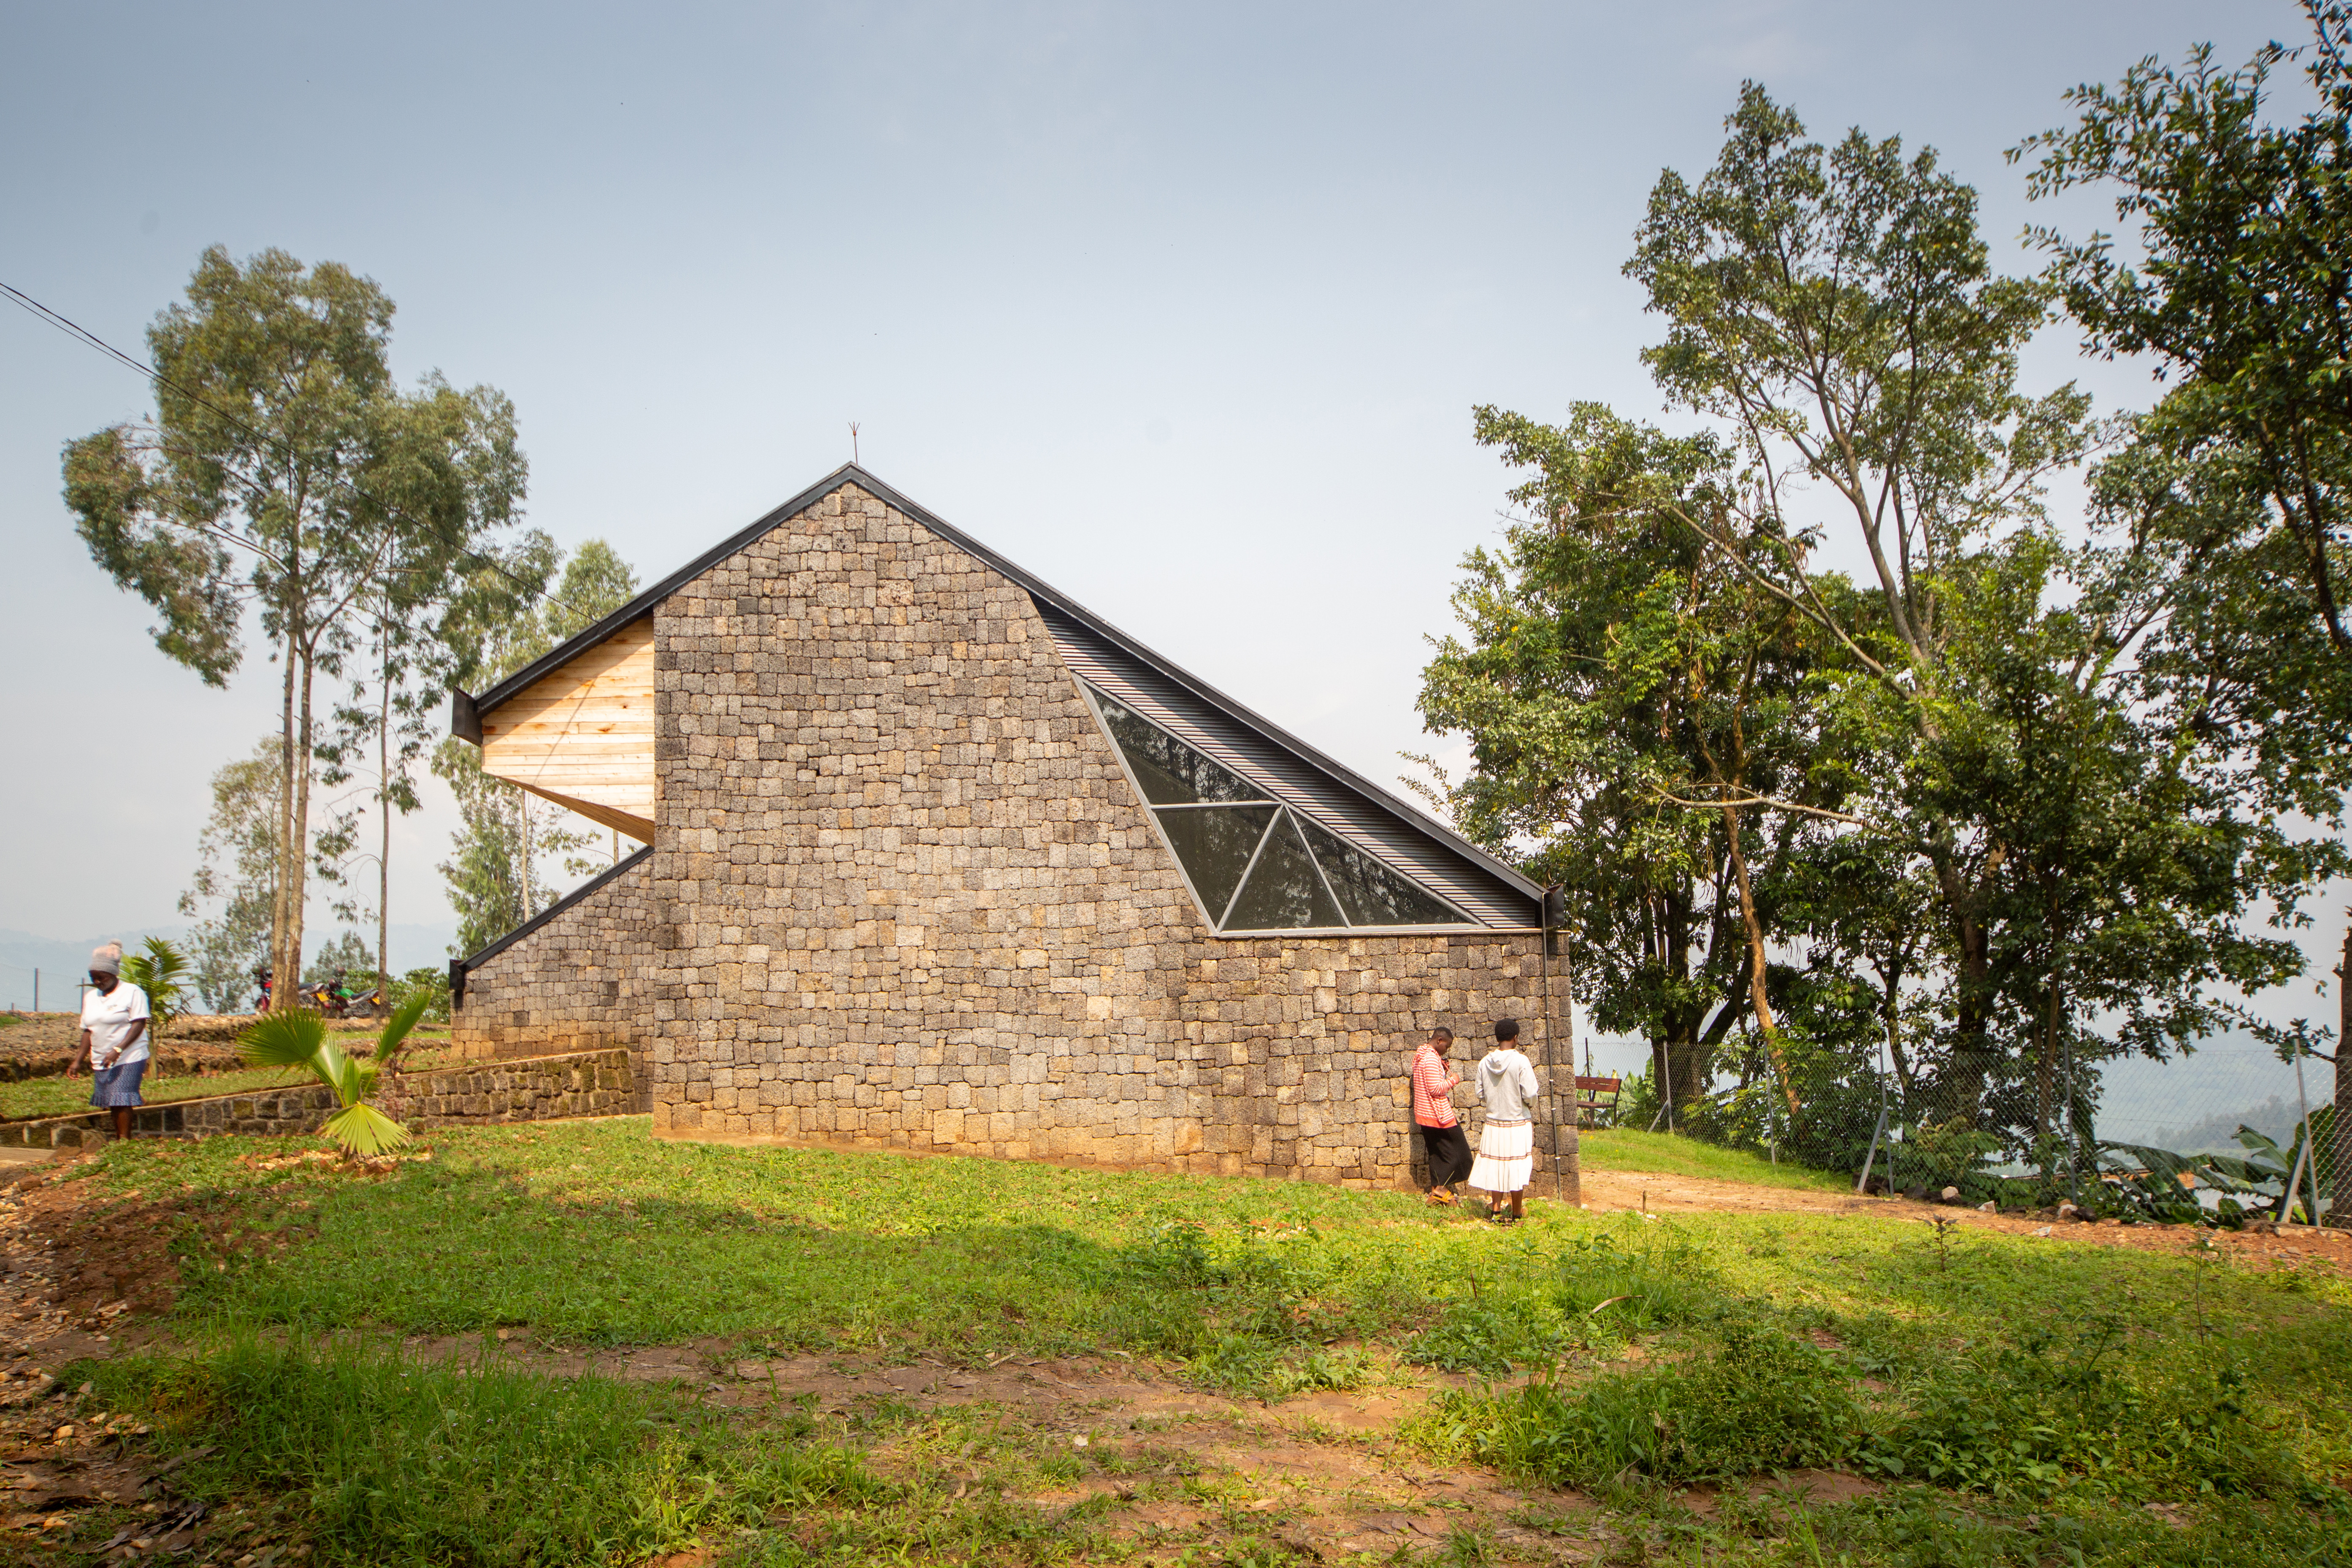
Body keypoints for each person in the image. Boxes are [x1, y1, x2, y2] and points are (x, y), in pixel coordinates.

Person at [68, 942, 149, 1141]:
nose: (97, 982)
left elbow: (139, 1023)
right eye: (93, 978)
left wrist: (118, 1049)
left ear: (114, 975)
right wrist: (78, 1061)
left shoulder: (132, 992)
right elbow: (88, 1030)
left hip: (130, 1054)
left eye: (101, 978)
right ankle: (120, 1138)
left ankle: (124, 1141)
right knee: (112, 1100)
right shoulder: (91, 998)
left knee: (122, 1096)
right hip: (102, 1057)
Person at [1467, 1018, 1539, 1223]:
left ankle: (1496, 1212)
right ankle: (1516, 1214)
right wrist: (1527, 1103)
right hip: (1517, 1123)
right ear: (1515, 1038)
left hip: (1493, 1123)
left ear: (1498, 1038)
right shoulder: (1521, 1061)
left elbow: (1480, 1093)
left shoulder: (1485, 1062)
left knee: (1496, 1166)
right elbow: (1531, 1092)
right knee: (1516, 1168)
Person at [1410, 1026, 1470, 1206]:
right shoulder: (1430, 1059)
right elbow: (1436, 1089)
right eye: (1447, 1046)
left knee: (1437, 1154)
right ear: (1439, 1041)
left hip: (1424, 1114)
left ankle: (1438, 1192)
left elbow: (1429, 1082)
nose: (1447, 1050)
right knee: (1462, 1153)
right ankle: (1441, 1190)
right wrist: (1453, 1080)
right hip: (1437, 1115)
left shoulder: (1423, 1056)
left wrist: (1442, 1071)